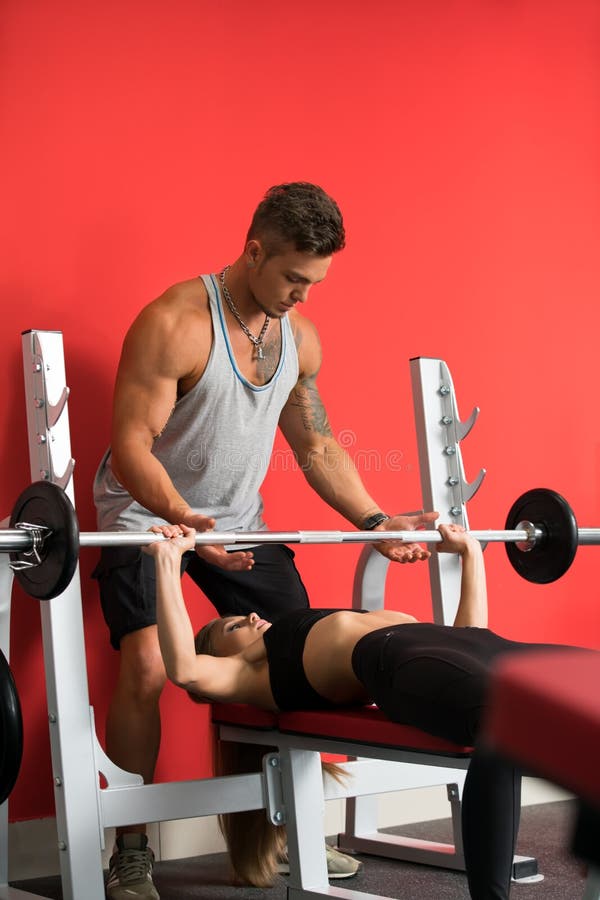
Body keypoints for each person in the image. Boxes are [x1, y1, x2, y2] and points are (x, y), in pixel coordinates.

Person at [92, 182, 438, 900]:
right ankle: (130, 849)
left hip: (242, 521)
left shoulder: (300, 340)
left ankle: (274, 835)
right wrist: (185, 524)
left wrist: (376, 522)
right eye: (291, 278)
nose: (300, 296)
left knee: (296, 657)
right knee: (151, 664)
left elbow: (314, 446)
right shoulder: (176, 321)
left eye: (313, 284)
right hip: (146, 517)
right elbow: (131, 447)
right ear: (255, 251)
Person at [145, 521, 590, 900]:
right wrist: (168, 563)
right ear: (221, 660)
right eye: (233, 626)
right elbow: (184, 669)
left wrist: (471, 554)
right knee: (504, 725)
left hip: (479, 645)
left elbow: (469, 633)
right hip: (396, 662)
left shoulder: (282, 632)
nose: (250, 616)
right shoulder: (249, 675)